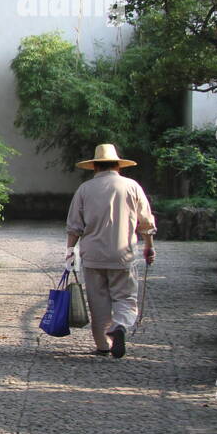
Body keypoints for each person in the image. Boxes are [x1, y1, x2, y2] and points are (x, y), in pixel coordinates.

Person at [64, 143, 156, 358]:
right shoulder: (132, 186)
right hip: (122, 255)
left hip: (93, 255)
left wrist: (70, 252)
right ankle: (121, 325)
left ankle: (103, 346)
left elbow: (74, 225)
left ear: (95, 166)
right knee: (125, 297)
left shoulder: (85, 189)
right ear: (118, 166)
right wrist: (149, 247)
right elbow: (146, 222)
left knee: (98, 302)